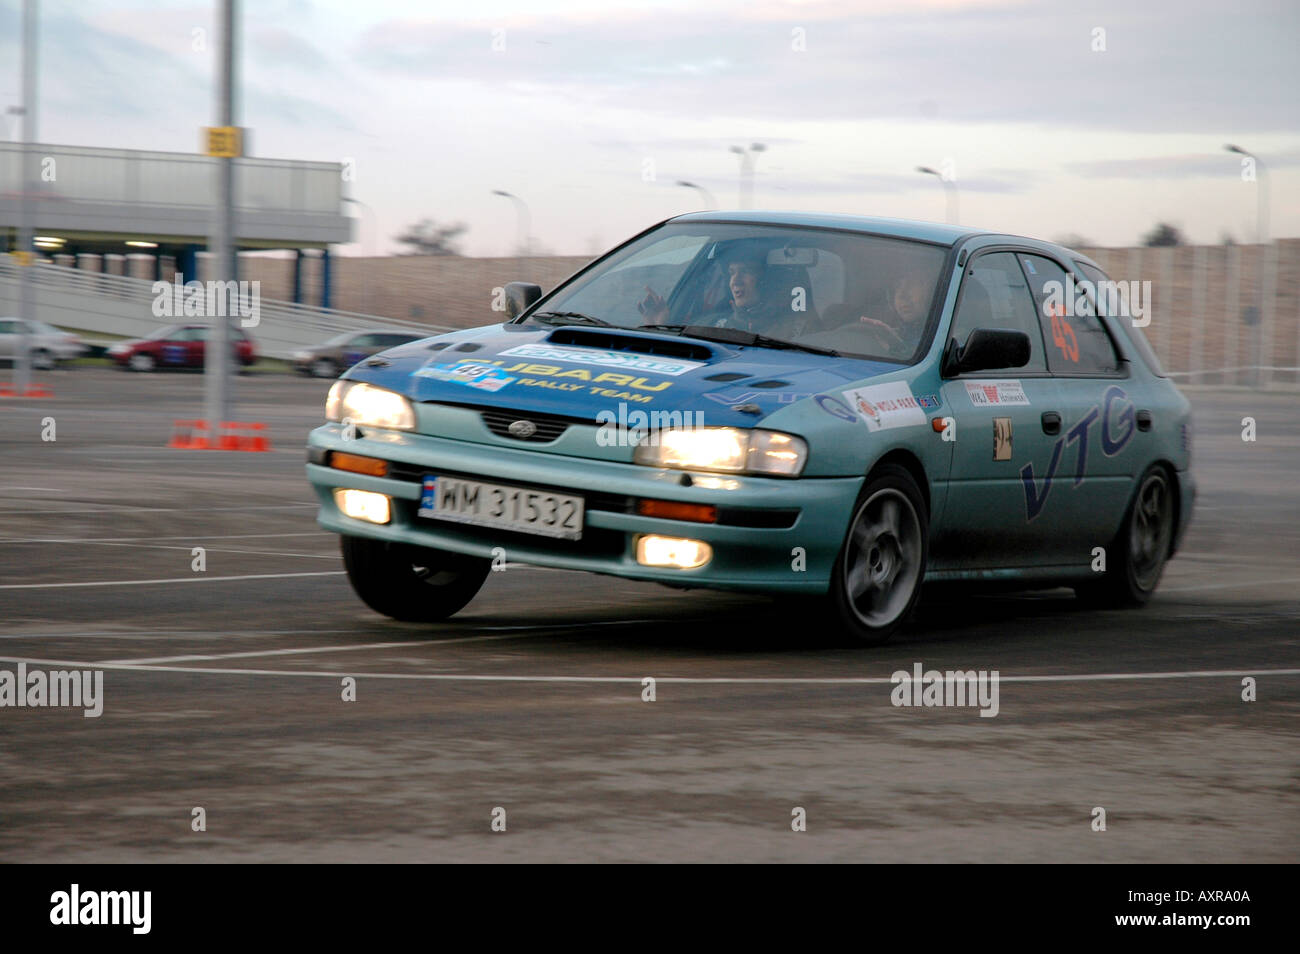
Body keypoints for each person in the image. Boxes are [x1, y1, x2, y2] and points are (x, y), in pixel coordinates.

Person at [638, 245, 798, 337]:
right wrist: (658, 326)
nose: (735, 280)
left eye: (746, 271)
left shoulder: (794, 330)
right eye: (732, 272)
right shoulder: (710, 323)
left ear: (766, 281)